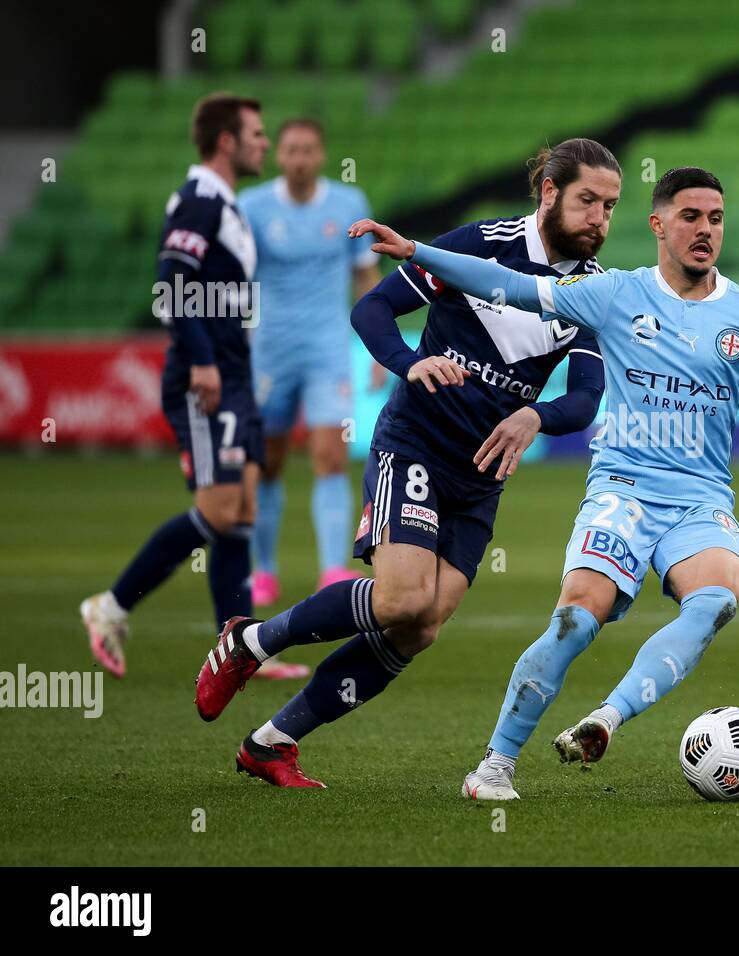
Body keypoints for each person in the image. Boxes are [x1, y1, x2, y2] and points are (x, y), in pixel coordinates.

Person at [347, 165, 739, 801]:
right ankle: (494, 767)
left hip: (700, 500)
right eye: (690, 217)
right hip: (622, 491)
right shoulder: (615, 295)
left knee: (716, 601)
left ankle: (606, 718)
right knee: (577, 622)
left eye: (716, 219)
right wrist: (419, 252)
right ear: (658, 224)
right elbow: (505, 285)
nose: (705, 231)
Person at [192, 139, 620, 788]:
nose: (599, 219)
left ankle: (272, 742)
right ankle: (252, 641)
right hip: (415, 442)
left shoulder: (591, 290)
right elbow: (373, 307)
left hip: (481, 477)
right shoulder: (482, 243)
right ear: (549, 193)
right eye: (588, 200)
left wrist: (538, 415)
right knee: (401, 601)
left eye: (611, 207)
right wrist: (409, 362)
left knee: (421, 628)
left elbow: (586, 396)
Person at [80, 93, 268, 678]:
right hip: (205, 377)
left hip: (234, 375)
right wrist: (202, 360)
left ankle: (234, 652)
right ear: (225, 141)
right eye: (256, 133)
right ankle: (109, 606)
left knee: (240, 513)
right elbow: (172, 283)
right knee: (216, 511)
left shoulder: (227, 204)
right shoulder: (199, 199)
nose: (263, 142)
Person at [239, 118, 381, 621]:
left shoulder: (348, 204)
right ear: (279, 154)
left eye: (308, 150)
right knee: (267, 463)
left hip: (327, 349)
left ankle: (331, 570)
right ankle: (264, 568)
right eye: (291, 149)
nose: (300, 158)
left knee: (330, 456)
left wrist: (377, 348)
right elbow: (232, 276)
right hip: (269, 351)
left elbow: (366, 275)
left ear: (321, 155)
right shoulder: (252, 207)